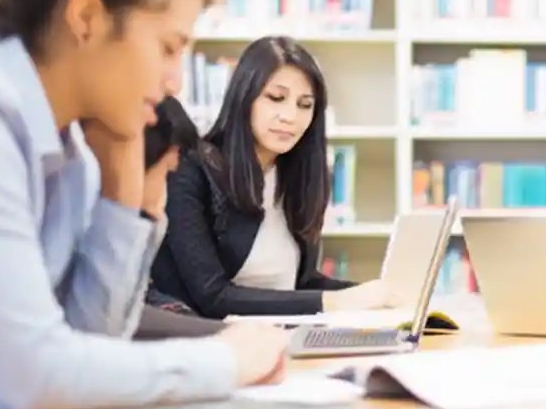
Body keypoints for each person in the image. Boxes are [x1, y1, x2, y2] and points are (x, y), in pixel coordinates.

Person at [0, 0, 288, 409]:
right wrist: (224, 361)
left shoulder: (71, 154)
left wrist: (123, 194)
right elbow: (34, 373)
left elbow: (91, 347)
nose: (173, 81)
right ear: (86, 16)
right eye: (168, 47)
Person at [151, 36, 397, 319]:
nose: (290, 116)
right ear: (245, 97)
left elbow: (300, 285)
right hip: (217, 343)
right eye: (276, 98)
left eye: (305, 105)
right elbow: (213, 297)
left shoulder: (298, 178)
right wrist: (335, 302)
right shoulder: (193, 169)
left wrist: (376, 295)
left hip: (286, 338)